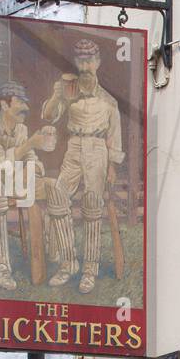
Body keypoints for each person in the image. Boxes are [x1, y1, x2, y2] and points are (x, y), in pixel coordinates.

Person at [41, 38, 124, 293]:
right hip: (74, 146)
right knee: (57, 197)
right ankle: (68, 263)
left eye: (90, 60)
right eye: (81, 61)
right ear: (76, 63)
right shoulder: (68, 92)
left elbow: (115, 137)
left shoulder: (109, 101)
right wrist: (57, 96)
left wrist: (112, 166)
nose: (86, 65)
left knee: (91, 205)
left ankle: (90, 269)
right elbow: (48, 116)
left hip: (98, 148)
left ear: (97, 63)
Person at [0, 81, 47, 290]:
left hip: (13, 181)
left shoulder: (21, 129)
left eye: (26, 102)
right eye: (20, 102)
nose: (26, 108)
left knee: (52, 188)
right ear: (4, 105)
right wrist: (29, 145)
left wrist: (36, 167)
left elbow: (31, 158)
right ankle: (0, 268)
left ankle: (61, 260)